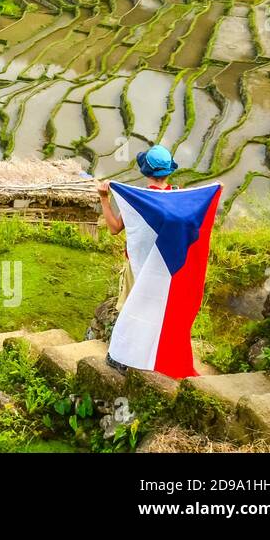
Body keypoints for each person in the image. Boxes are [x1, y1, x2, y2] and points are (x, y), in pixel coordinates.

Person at [95, 145, 179, 371]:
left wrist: (104, 198)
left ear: (145, 172)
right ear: (169, 172)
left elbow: (114, 229)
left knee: (131, 309)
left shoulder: (137, 201)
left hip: (138, 266)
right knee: (156, 311)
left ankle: (121, 358)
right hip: (166, 269)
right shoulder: (178, 198)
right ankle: (151, 357)